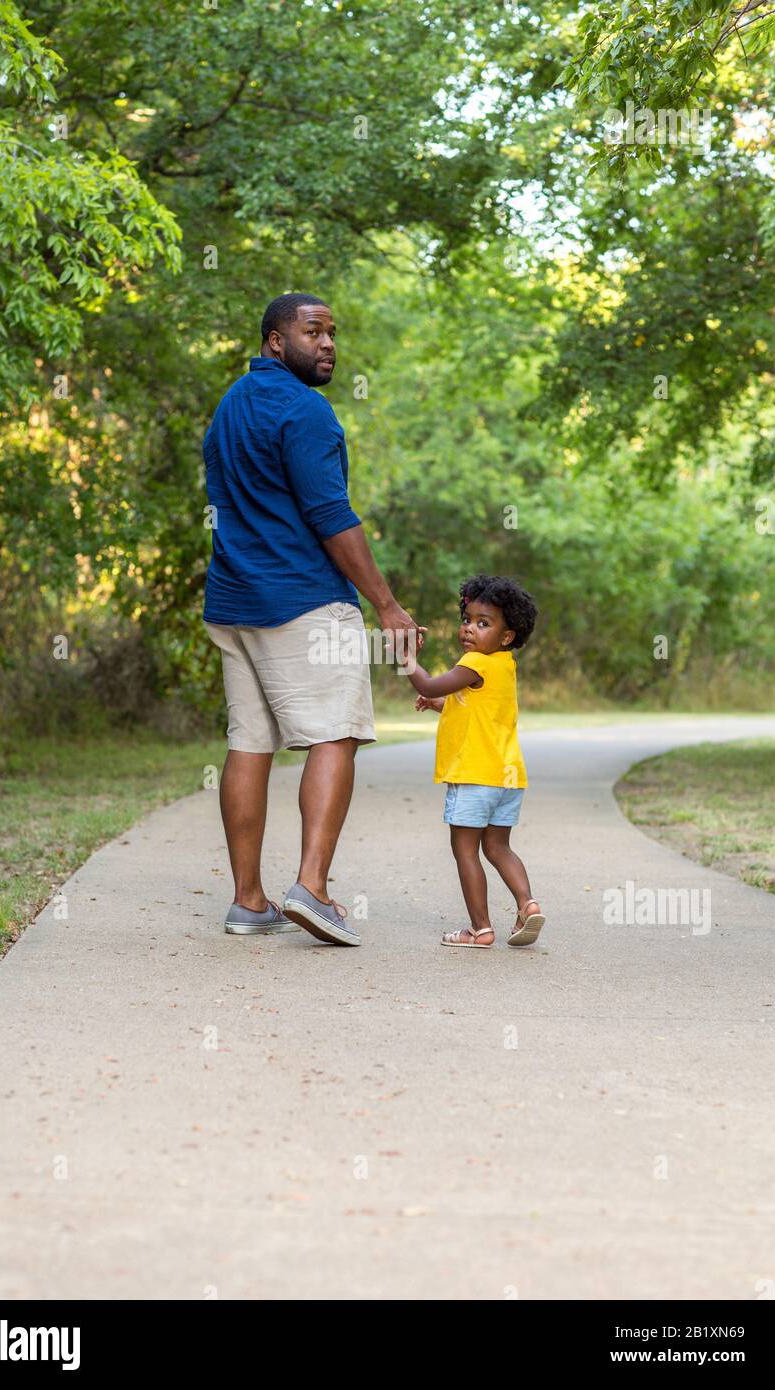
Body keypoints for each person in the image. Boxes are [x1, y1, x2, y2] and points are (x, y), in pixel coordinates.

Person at [202, 292, 422, 947]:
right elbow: (332, 517)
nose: (327, 344)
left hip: (234, 602)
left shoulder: (229, 407)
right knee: (335, 736)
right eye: (312, 332)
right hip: (302, 601)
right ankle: (314, 889)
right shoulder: (307, 411)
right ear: (276, 341)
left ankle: (249, 901)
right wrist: (386, 605)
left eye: (332, 333)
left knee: (249, 744)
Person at [401, 574, 544, 948]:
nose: (469, 629)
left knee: (465, 851)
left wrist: (407, 659)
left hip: (474, 776)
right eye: (468, 620)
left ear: (507, 635)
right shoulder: (503, 666)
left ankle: (479, 929)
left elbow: (429, 684)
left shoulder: (475, 662)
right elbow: (472, 709)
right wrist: (440, 706)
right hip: (507, 778)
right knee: (498, 848)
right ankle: (527, 905)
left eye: (484, 623)